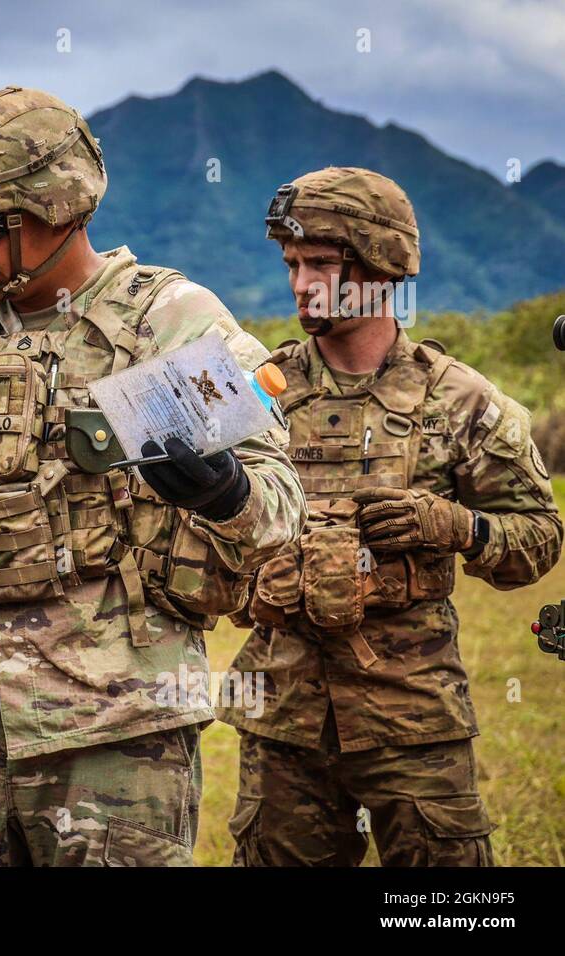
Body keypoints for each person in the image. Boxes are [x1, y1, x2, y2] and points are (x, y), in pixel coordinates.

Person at [0, 87, 306, 866]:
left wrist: (227, 494)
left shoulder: (170, 324)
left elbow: (283, 509)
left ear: (58, 205)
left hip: (117, 737)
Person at [221, 166, 562, 866]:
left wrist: (458, 526)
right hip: (284, 725)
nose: (298, 281)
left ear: (380, 266)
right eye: (291, 263)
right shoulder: (258, 394)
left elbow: (540, 537)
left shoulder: (462, 400)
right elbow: (196, 529)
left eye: (320, 262)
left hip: (415, 724)